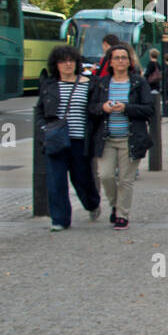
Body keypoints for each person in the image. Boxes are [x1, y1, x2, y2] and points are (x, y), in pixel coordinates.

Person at [35, 44, 102, 230]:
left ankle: (92, 203)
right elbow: (40, 111)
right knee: (56, 182)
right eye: (63, 61)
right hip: (55, 140)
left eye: (71, 61)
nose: (67, 64)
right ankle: (60, 220)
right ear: (55, 64)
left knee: (82, 179)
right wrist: (42, 130)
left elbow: (95, 112)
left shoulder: (89, 84)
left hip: (79, 140)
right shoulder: (49, 86)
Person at [89, 42, 154, 231]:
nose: (120, 61)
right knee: (106, 175)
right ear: (109, 62)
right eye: (116, 58)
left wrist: (126, 108)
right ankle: (115, 206)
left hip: (130, 138)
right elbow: (91, 108)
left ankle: (122, 215)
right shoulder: (101, 83)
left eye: (123, 58)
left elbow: (149, 109)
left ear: (129, 62)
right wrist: (103, 107)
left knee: (125, 179)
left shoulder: (138, 82)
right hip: (106, 138)